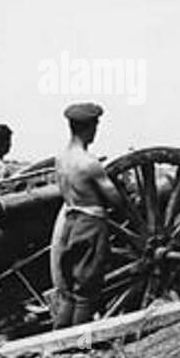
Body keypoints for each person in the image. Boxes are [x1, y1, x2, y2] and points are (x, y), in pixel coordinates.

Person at [51, 102, 123, 329]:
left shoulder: (60, 159)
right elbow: (116, 200)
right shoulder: (89, 163)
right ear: (90, 127)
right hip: (91, 223)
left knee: (71, 291)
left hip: (71, 222)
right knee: (87, 292)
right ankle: (82, 346)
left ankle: (57, 340)